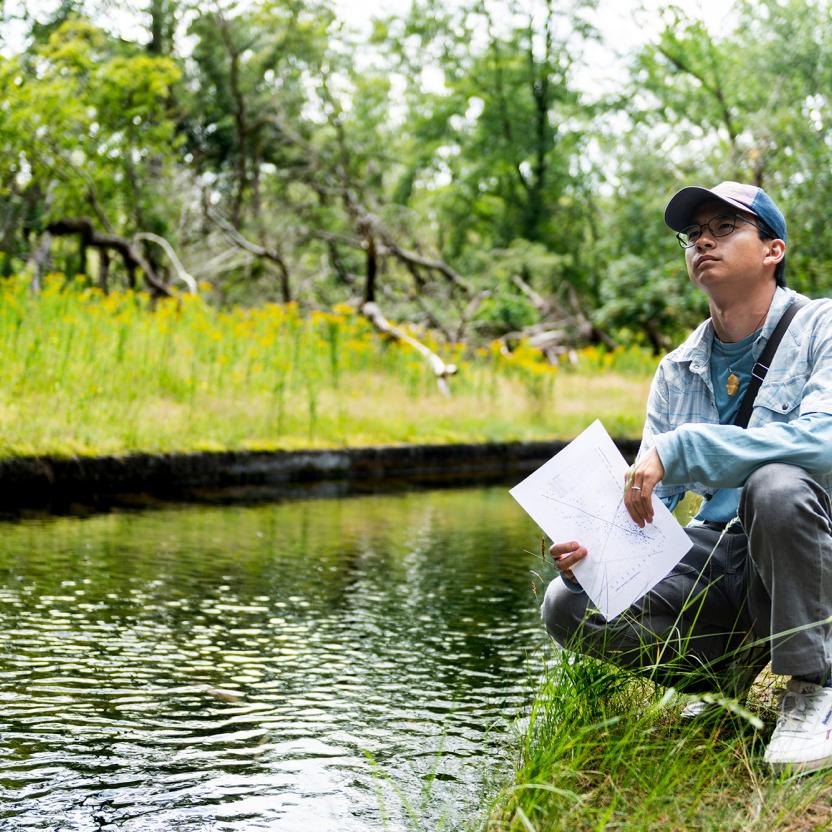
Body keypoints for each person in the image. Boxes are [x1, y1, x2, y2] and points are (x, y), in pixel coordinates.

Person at [541, 181, 832, 773]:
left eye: (725, 228)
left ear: (773, 250)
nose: (703, 239)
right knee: (565, 606)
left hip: (804, 543)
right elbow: (648, 505)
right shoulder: (676, 369)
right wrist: (590, 554)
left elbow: (822, 444)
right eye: (693, 233)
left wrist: (682, 447)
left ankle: (812, 687)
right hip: (721, 551)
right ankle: (726, 678)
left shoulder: (822, 326)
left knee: (774, 486)